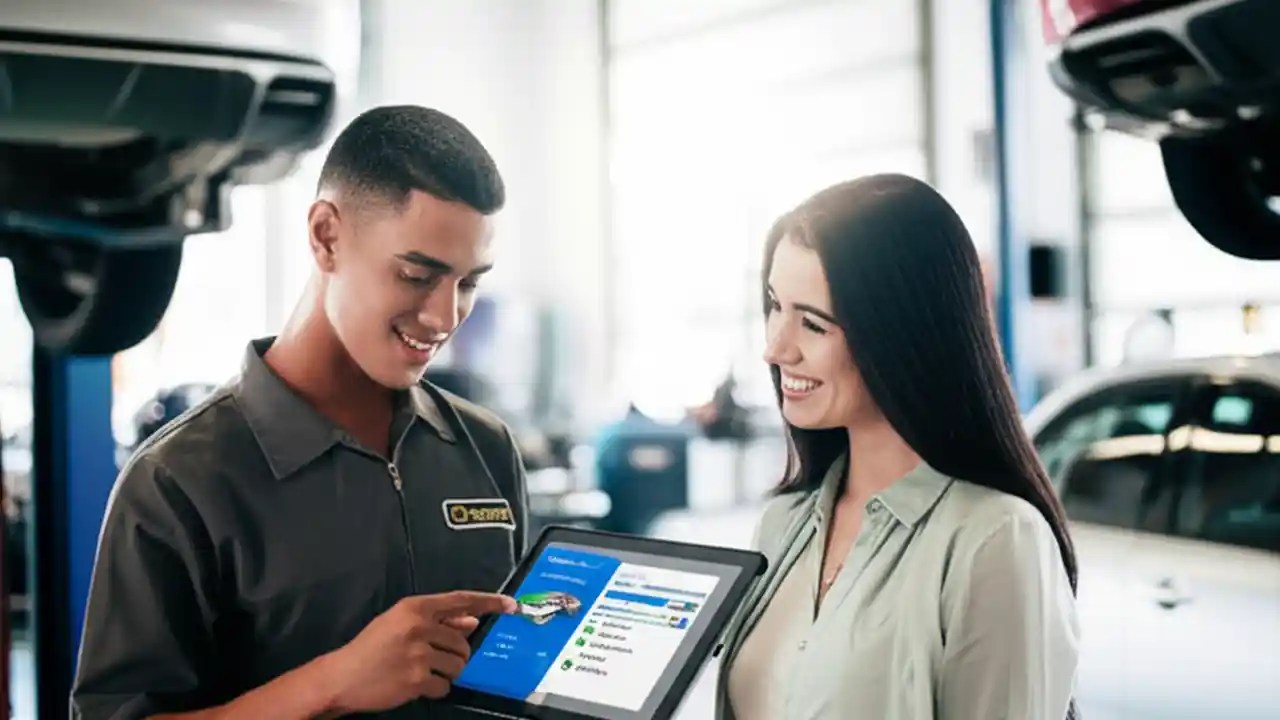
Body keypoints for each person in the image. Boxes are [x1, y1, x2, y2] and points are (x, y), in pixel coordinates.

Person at [71, 105, 532, 720]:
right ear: (326, 236)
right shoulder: (179, 481)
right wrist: (334, 682)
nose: (445, 317)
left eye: (469, 283)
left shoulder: (485, 448)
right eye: (417, 274)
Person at [717, 174, 1080, 719]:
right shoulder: (782, 523)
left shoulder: (995, 539)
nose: (775, 349)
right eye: (774, 305)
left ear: (898, 335)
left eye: (813, 324)